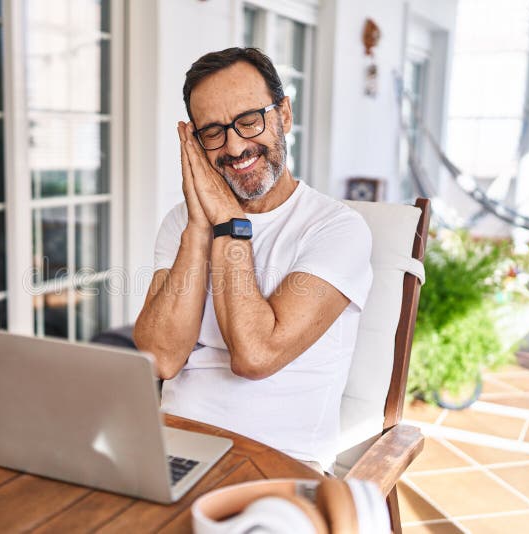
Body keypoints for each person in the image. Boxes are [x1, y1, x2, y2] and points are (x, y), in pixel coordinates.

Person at [133, 47, 373, 471]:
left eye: (249, 121)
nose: (235, 146)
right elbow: (160, 358)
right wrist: (198, 229)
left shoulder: (337, 228)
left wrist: (230, 223)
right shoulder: (183, 223)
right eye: (213, 131)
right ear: (194, 141)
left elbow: (255, 355)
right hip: (169, 446)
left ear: (284, 115)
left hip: (278, 464)